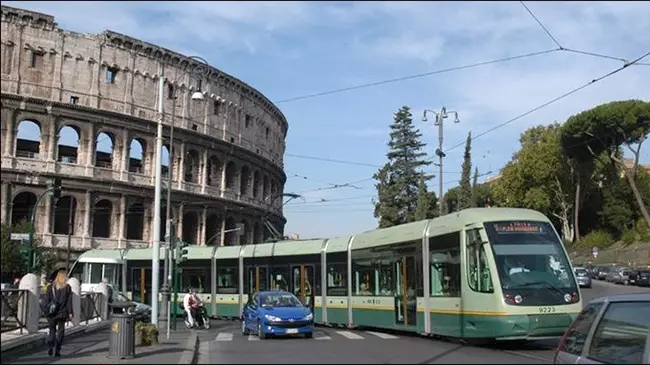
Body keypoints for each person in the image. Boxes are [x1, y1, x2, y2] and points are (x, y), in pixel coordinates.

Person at [45, 268, 73, 357]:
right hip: (62, 313)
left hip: (52, 313)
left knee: (52, 330)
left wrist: (46, 311)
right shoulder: (67, 288)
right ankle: (57, 350)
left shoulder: (50, 287)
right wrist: (70, 312)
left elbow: (46, 300)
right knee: (61, 331)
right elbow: (69, 301)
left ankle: (50, 345)